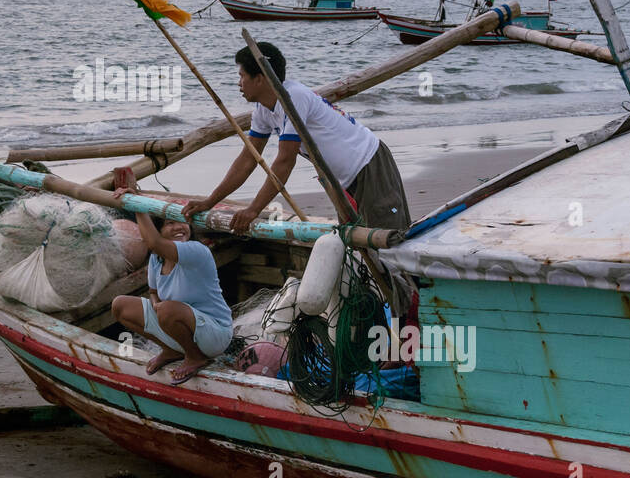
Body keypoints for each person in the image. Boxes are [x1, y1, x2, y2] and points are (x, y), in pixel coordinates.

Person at [181, 41, 411, 234]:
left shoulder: (293, 98)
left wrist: (253, 210)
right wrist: (209, 201)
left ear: (260, 78)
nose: (239, 83)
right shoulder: (263, 110)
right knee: (357, 238)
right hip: (342, 181)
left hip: (369, 164)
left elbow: (284, 162)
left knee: (387, 238)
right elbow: (247, 160)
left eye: (242, 76)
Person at [110, 184, 233, 385]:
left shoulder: (196, 251)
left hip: (215, 334)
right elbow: (153, 291)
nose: (178, 227)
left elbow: (154, 243)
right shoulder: (156, 260)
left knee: (167, 310)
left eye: (182, 222)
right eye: (169, 223)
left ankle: (195, 357)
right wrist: (156, 303)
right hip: (178, 325)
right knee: (120, 305)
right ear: (160, 230)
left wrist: (137, 205)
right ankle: (172, 350)